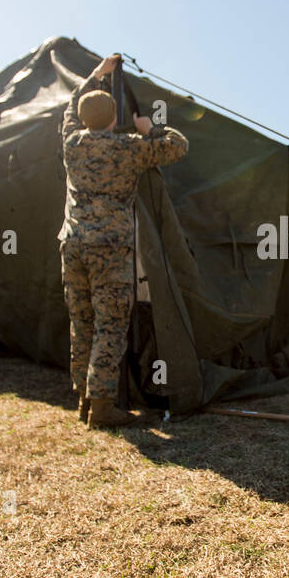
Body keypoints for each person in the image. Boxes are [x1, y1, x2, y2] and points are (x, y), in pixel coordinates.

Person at [59, 54, 189, 428]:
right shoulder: (128, 147)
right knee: (110, 326)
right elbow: (177, 146)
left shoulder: (71, 144)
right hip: (111, 247)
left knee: (81, 323)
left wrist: (95, 76)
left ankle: (84, 400)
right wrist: (150, 128)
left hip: (73, 244)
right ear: (114, 119)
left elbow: (70, 108)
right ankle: (102, 407)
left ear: (83, 119)